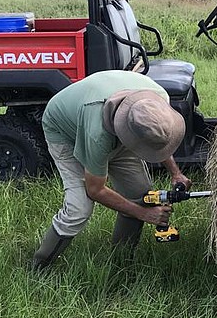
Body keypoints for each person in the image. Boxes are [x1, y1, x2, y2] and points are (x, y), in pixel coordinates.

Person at [32, 70, 190, 270]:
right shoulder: (98, 135)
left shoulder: (158, 100)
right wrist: (143, 214)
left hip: (113, 121)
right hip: (64, 131)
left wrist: (175, 173)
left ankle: (120, 266)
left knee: (140, 195)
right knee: (79, 209)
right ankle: (40, 266)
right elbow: (95, 190)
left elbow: (157, 139)